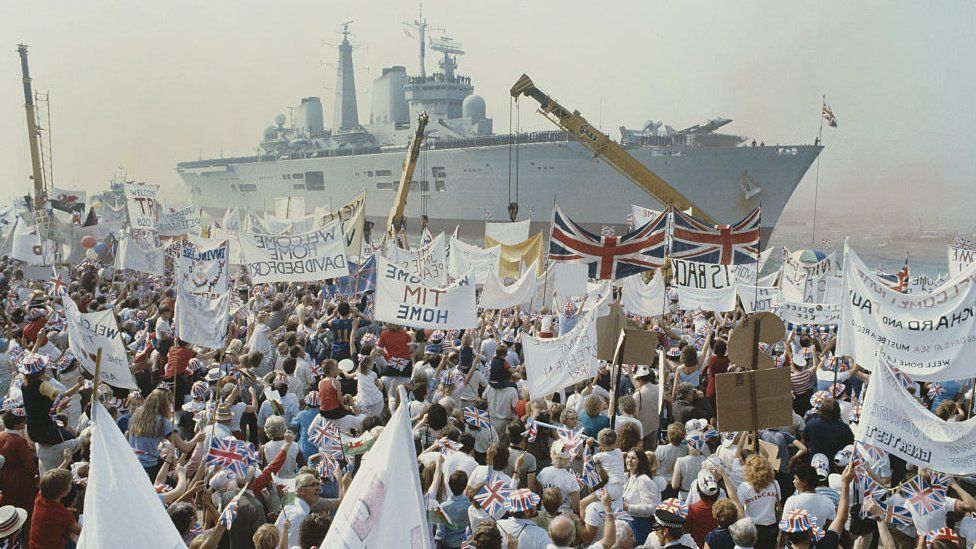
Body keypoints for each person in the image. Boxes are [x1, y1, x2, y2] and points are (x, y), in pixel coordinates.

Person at [128, 389, 202, 478]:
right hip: (148, 467)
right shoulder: (163, 422)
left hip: (132, 463)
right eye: (170, 403)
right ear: (165, 404)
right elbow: (184, 448)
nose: (171, 406)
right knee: (174, 485)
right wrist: (197, 438)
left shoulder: (137, 414)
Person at [737, 454, 781, 549]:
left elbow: (739, 510)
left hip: (754, 530)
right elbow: (778, 505)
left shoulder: (743, 488)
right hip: (772, 528)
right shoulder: (775, 484)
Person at [30, 468, 81, 549]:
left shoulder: (40, 497)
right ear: (65, 492)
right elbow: (79, 531)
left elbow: (50, 480)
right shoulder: (61, 512)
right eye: (70, 484)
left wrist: (65, 462)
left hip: (35, 544)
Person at [0, 411, 39, 515]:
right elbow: (30, 466)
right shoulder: (19, 441)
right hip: (21, 481)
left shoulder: (1, 436)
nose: (25, 423)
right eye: (23, 422)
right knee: (26, 510)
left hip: (5, 479)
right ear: (16, 425)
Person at [622, 448, 661, 543]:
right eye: (628, 457)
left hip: (640, 525)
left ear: (640, 462)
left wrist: (629, 507)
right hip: (628, 523)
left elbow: (653, 507)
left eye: (633, 458)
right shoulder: (628, 477)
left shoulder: (644, 480)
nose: (629, 460)